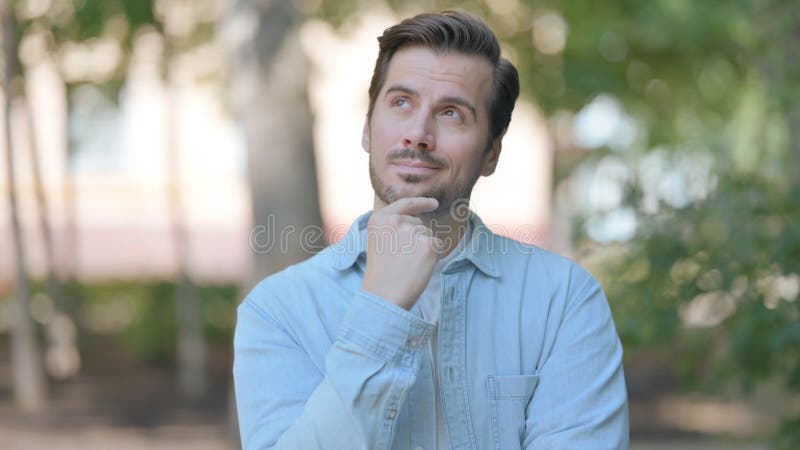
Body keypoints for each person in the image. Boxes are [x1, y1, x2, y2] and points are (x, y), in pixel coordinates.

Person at [233, 10, 629, 450]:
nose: (418, 134)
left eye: (452, 113)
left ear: (491, 153)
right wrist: (380, 310)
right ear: (368, 129)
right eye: (401, 103)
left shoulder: (564, 301)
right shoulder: (277, 311)